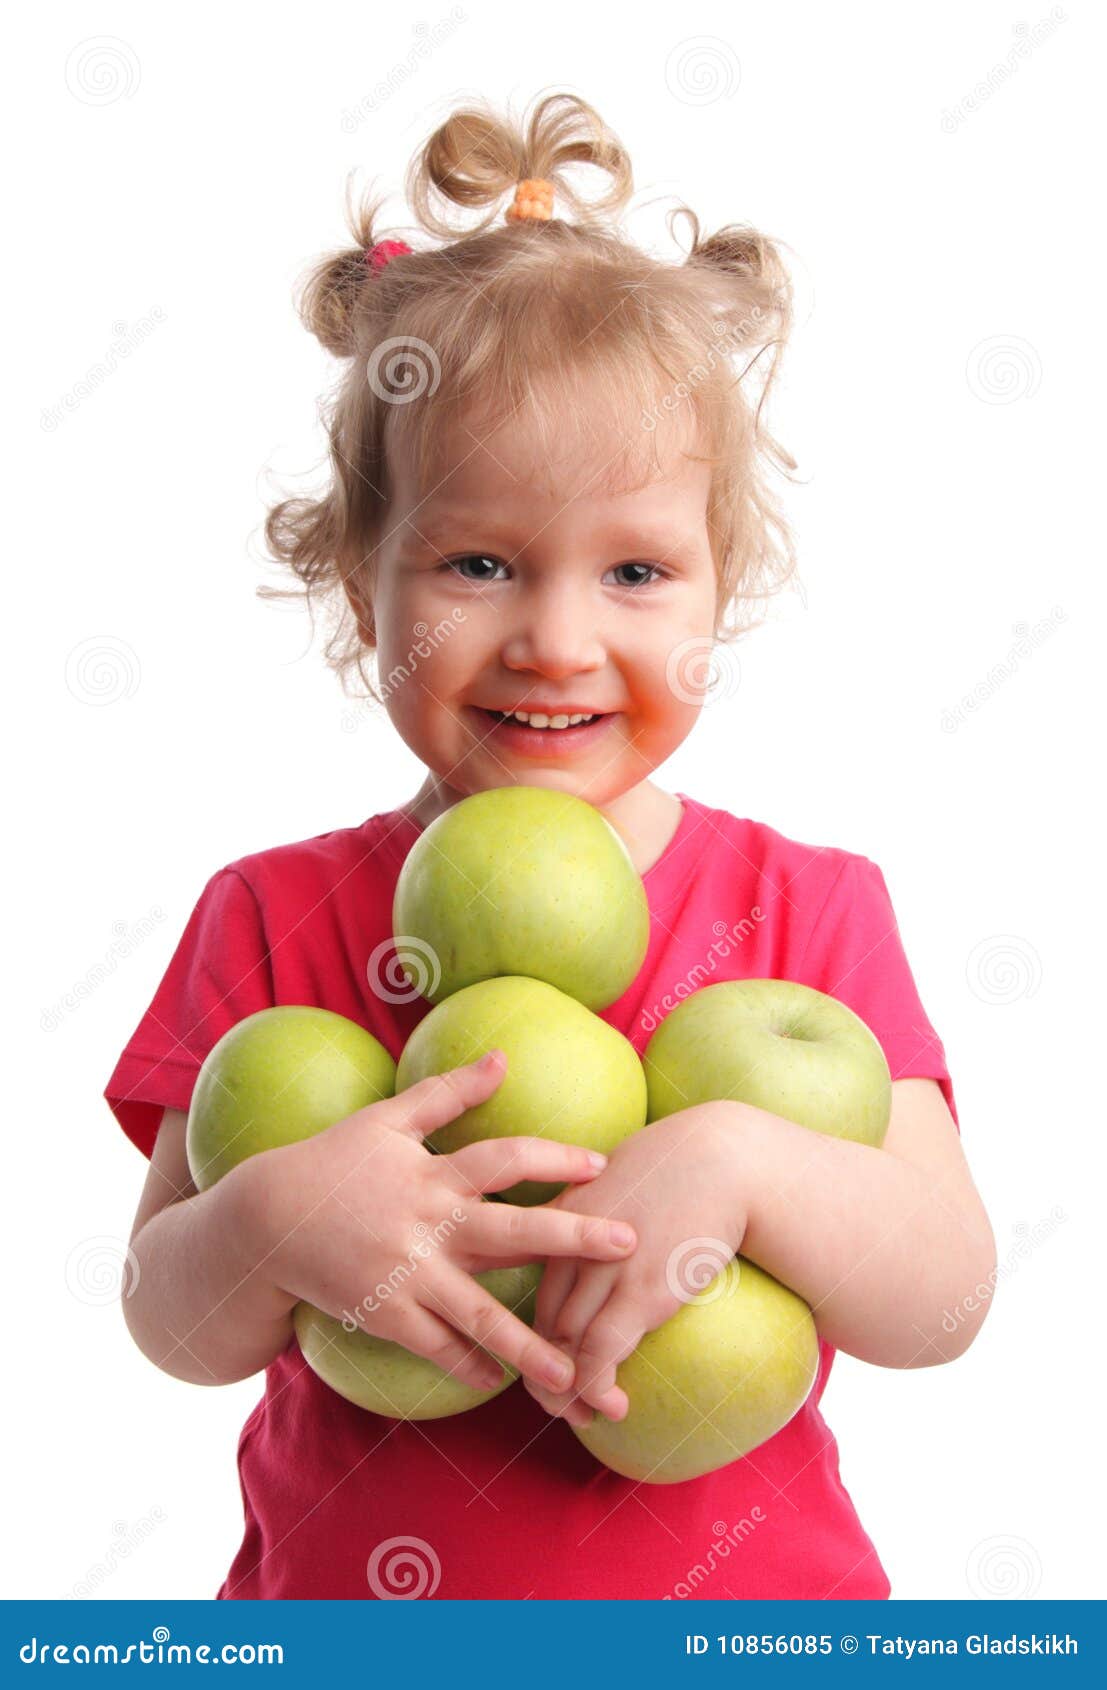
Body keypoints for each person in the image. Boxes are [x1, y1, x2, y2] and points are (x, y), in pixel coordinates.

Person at [103, 90, 996, 1601]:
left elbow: (946, 1296)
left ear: (722, 586)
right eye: (478, 562)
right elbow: (167, 1321)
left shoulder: (805, 908)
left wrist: (744, 1158)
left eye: (636, 571)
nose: (558, 642)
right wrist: (273, 1218)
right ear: (361, 587)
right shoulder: (276, 912)